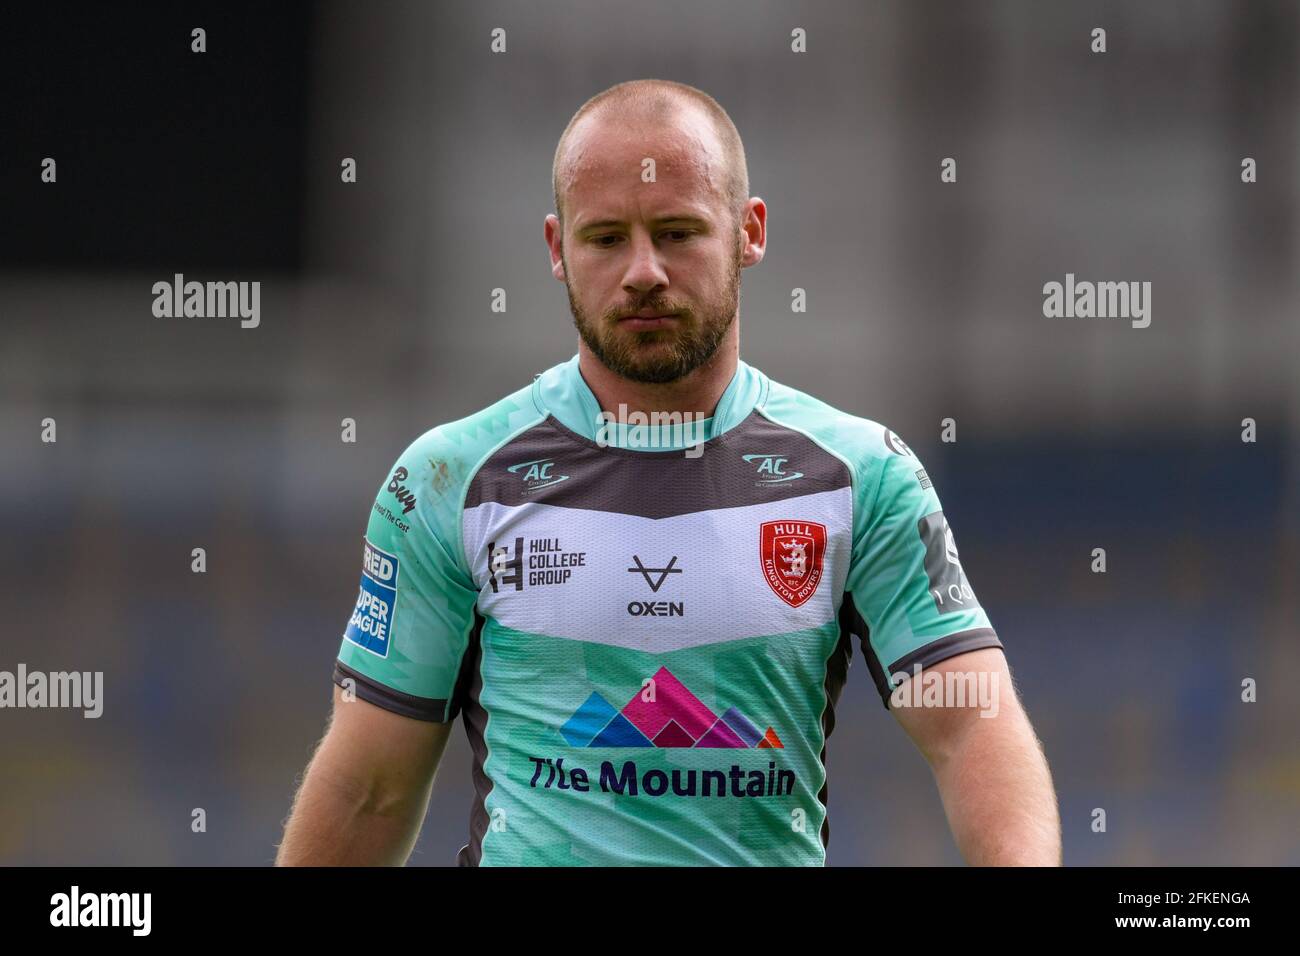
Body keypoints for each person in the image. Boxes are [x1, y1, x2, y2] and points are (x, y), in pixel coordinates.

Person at [276, 78, 1061, 866]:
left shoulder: (859, 476)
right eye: (606, 238)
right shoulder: (451, 480)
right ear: (556, 248)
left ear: (749, 232)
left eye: (679, 233)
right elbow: (368, 790)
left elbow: (971, 728)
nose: (643, 271)